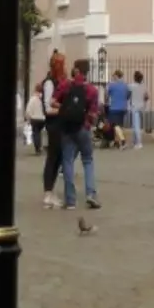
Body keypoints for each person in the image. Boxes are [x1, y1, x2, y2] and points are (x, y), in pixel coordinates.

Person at [54, 59, 101, 212]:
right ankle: (90, 194)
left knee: (67, 161)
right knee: (87, 160)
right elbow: (94, 114)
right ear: (87, 72)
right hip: (84, 128)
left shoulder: (65, 85)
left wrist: (66, 108)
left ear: (76, 70)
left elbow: (52, 102)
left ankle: (70, 200)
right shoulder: (93, 90)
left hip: (67, 128)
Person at [41, 52, 68, 209]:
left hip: (60, 123)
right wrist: (64, 110)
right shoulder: (49, 83)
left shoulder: (60, 81)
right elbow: (48, 108)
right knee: (53, 157)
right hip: (53, 124)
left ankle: (50, 192)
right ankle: (47, 192)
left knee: (58, 158)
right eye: (62, 64)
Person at [106, 71, 130, 144]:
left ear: (116, 76)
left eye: (113, 76)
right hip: (123, 108)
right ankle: (117, 141)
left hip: (114, 108)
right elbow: (128, 96)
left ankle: (122, 140)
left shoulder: (111, 85)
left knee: (115, 125)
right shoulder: (126, 85)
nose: (113, 77)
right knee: (119, 124)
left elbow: (107, 95)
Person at [129, 71, 147, 150]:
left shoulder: (131, 86)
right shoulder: (143, 87)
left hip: (134, 107)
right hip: (141, 106)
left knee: (136, 126)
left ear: (134, 78)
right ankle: (134, 141)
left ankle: (139, 143)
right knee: (135, 125)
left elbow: (128, 95)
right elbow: (146, 97)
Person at [25, 85, 46, 154]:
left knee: (36, 133)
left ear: (35, 90)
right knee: (39, 133)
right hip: (42, 119)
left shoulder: (33, 99)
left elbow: (28, 110)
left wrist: (28, 118)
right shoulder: (43, 99)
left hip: (34, 119)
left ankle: (37, 148)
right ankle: (40, 146)